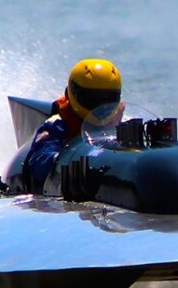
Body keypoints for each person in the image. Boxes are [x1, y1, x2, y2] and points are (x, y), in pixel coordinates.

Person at [23, 58, 123, 193]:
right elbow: (40, 162)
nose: (100, 106)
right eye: (92, 99)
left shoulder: (123, 123)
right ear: (70, 93)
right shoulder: (56, 125)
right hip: (65, 192)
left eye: (107, 99)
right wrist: (75, 161)